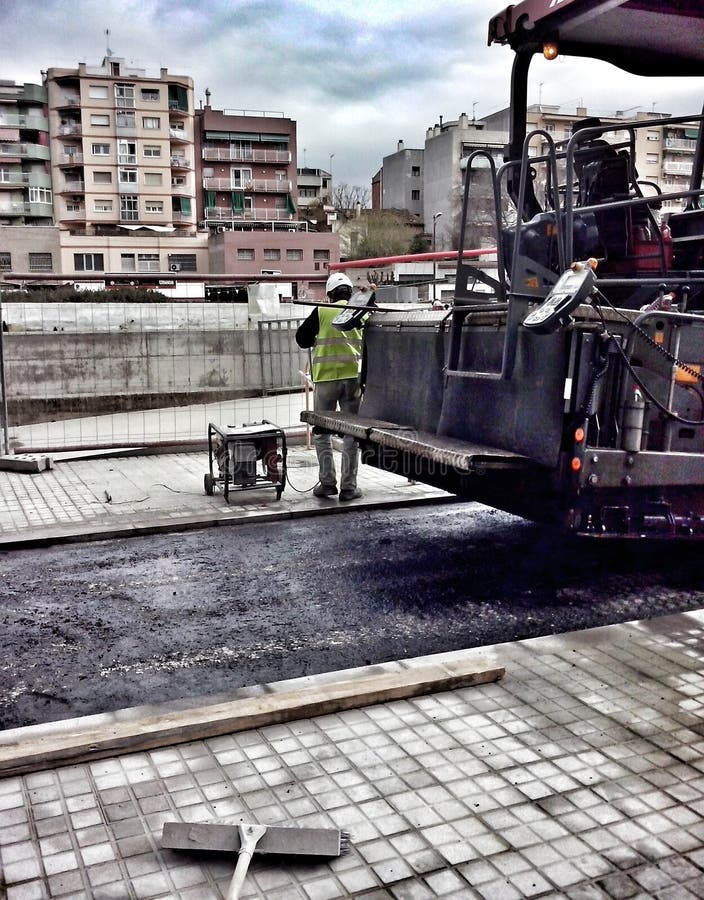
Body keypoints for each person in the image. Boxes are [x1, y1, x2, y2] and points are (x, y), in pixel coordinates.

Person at [296, 272, 364, 501]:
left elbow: (302, 338)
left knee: (322, 432)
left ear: (330, 294)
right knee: (351, 434)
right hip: (353, 379)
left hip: (325, 381)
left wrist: (315, 339)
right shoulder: (360, 312)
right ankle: (348, 488)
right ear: (349, 292)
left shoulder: (321, 310)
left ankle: (327, 483)